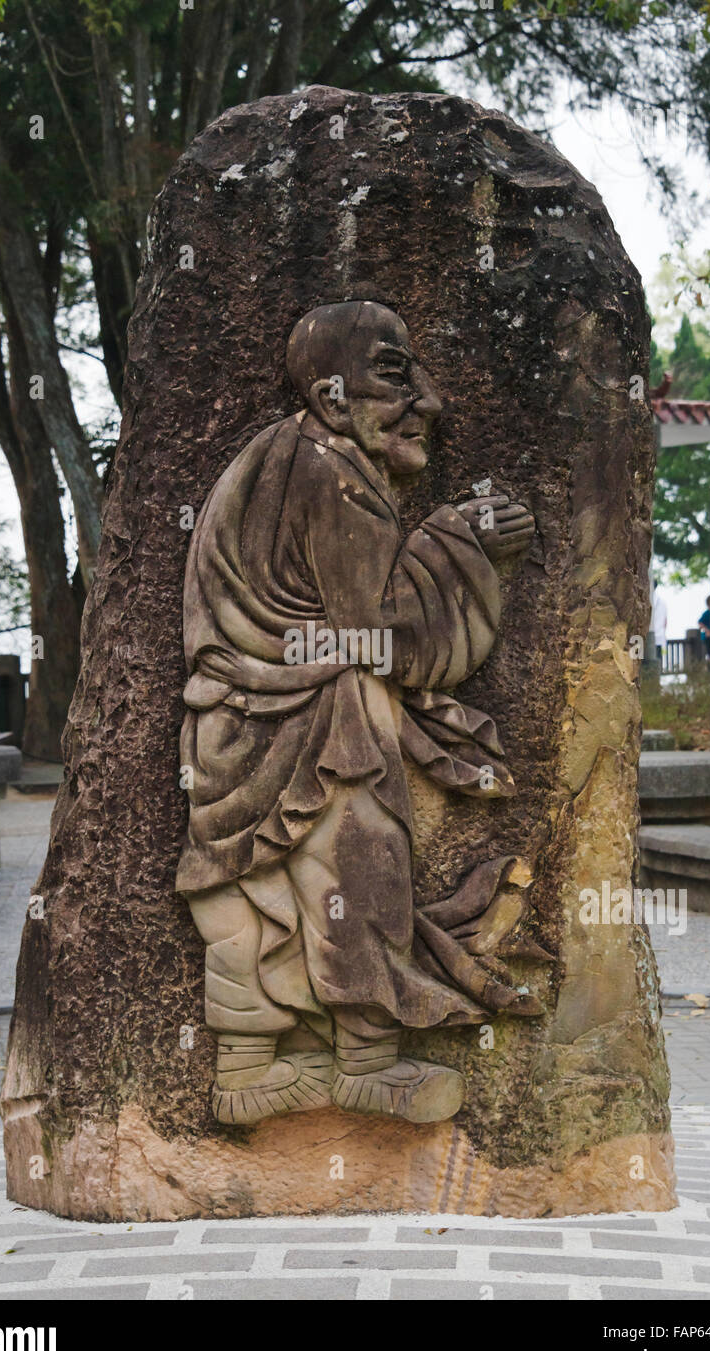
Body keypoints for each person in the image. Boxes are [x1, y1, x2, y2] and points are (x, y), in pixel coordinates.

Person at [176, 300, 541, 1127]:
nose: (431, 402)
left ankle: (245, 1067)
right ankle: (365, 1064)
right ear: (333, 396)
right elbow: (375, 635)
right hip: (322, 735)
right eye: (396, 373)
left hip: (229, 722)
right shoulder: (339, 480)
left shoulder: (267, 456)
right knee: (362, 872)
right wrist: (465, 542)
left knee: (249, 885)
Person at [651, 585, 668, 665]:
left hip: (647, 637)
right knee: (658, 662)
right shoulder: (663, 602)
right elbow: (665, 621)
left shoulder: (648, 598)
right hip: (660, 636)